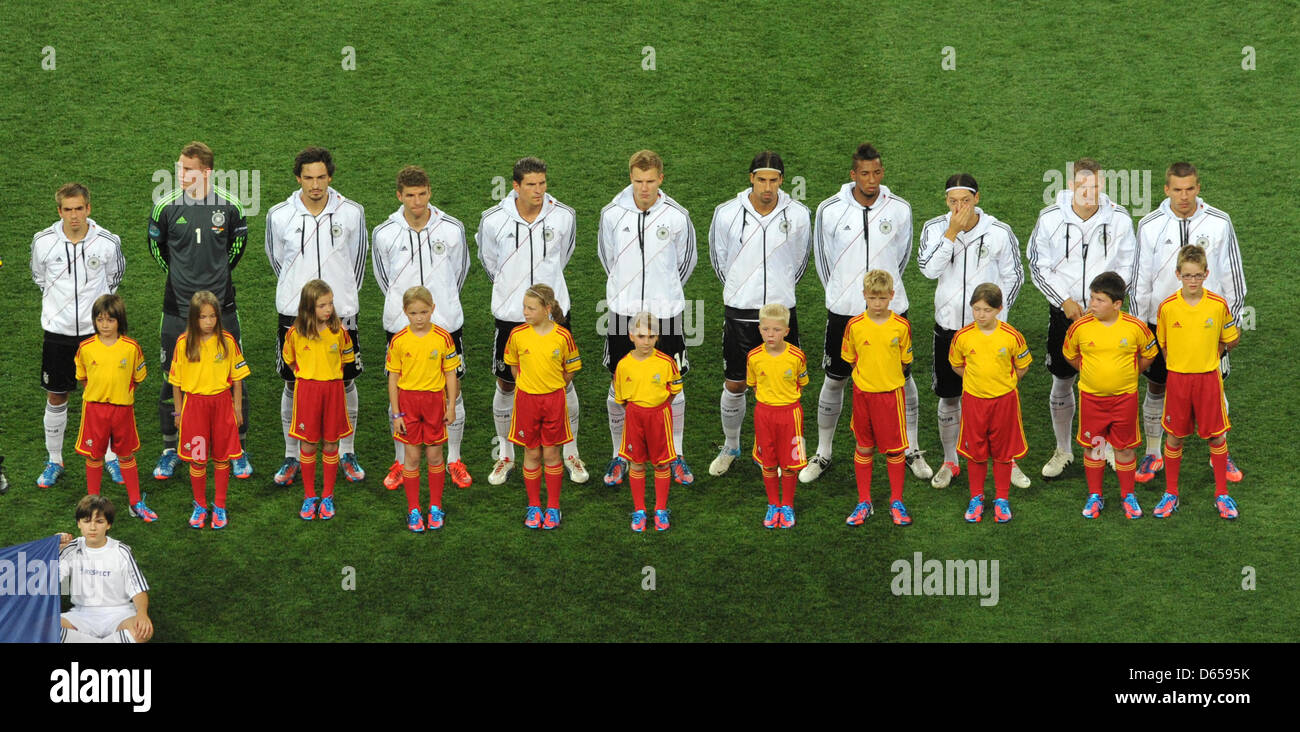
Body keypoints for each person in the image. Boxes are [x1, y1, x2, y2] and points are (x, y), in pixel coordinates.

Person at [803, 143, 932, 484]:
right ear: (853, 175)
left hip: (891, 312)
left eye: (876, 173)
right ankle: (824, 451)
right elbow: (823, 262)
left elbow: (900, 260)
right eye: (864, 174)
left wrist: (883, 295)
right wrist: (845, 294)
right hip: (844, 314)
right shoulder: (829, 210)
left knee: (902, 380)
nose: (871, 180)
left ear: (882, 172)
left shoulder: (900, 209)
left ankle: (911, 449)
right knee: (835, 378)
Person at [477, 156, 587, 486]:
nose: (538, 190)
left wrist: (545, 302)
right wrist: (516, 299)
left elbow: (562, 258)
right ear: (515, 186)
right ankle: (506, 454)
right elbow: (489, 262)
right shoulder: (493, 219)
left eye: (542, 183)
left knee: (563, 382)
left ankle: (571, 451)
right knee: (507, 383)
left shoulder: (564, 216)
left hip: (554, 316)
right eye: (531, 185)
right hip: (512, 317)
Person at [1134, 162, 1247, 484]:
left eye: (1190, 189)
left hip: (1209, 325)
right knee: (1157, 386)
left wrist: (1229, 327)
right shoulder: (1150, 224)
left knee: (1215, 384)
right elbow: (1140, 278)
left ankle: (1221, 456)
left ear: (1198, 188)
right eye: (1177, 190)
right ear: (1166, 190)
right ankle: (1153, 452)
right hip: (1163, 323)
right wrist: (1144, 327)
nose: (1184, 197)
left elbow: (1233, 277)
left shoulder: (1219, 222)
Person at [1027, 159, 1137, 478]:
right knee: (1062, 379)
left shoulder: (1118, 218)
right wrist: (1064, 300)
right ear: (1072, 185)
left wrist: (1106, 302)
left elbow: (1130, 266)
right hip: (1065, 314)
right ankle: (1064, 450)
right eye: (1083, 187)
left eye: (1096, 187)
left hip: (1107, 318)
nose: (1090, 193)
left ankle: (1106, 448)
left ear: (1103, 185)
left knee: (1108, 383)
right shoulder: (1049, 218)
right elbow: (1038, 264)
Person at [917, 173, 1028, 491]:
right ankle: (951, 460)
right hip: (950, 329)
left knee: (997, 399)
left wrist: (995, 319)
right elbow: (928, 269)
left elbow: (1013, 276)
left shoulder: (999, 232)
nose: (959, 207)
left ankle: (1008, 460)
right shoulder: (935, 228)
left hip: (990, 336)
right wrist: (951, 233)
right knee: (950, 397)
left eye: (965, 201)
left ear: (977, 199)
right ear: (945, 202)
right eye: (953, 201)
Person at [266, 147, 369, 486]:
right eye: (308, 178)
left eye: (321, 177)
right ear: (298, 178)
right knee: (293, 382)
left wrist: (340, 298)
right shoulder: (279, 215)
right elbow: (277, 261)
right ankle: (291, 454)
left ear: (330, 177)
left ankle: (346, 451)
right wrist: (299, 297)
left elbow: (358, 262)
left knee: (345, 379)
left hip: (340, 314)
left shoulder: (352, 212)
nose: (315, 185)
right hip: (294, 315)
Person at [148, 141, 251, 480]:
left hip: (221, 307)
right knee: (171, 377)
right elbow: (157, 248)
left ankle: (238, 449)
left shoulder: (231, 206)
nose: (180, 174)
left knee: (233, 376)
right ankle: (170, 448)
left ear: (206, 172)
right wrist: (181, 277)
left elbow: (235, 249)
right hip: (177, 307)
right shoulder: (165, 206)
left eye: (188, 169)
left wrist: (215, 282)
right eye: (179, 167)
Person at [705, 151, 812, 478]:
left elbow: (799, 261)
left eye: (774, 180)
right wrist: (741, 292)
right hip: (740, 311)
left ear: (782, 181)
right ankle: (731, 445)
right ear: (751, 178)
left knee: (784, 386)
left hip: (781, 314)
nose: (767, 187)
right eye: (761, 179)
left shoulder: (799, 214)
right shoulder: (726, 213)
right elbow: (718, 260)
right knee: (736, 383)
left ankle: (782, 450)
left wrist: (777, 297)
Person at [598, 150, 697, 487]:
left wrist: (662, 293)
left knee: (674, 385)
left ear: (661, 179)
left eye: (650, 181)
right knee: (619, 382)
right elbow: (607, 258)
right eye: (638, 181)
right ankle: (619, 454)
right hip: (623, 311)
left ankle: (676, 452)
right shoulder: (611, 214)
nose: (644, 188)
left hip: (666, 312)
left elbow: (685, 264)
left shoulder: (678, 216)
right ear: (630, 178)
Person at [372, 166, 472, 490]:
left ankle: (453, 459)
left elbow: (460, 273)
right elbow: (382, 279)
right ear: (399, 196)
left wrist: (438, 307)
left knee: (452, 393)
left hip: (444, 325)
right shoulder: (385, 233)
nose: (417, 201)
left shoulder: (452, 230)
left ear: (430, 192)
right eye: (410, 195)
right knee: (398, 394)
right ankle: (402, 461)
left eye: (422, 194)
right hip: (401, 327)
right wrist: (410, 314)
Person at [32, 182, 125, 489]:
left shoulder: (107, 243)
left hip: (95, 335)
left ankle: (110, 457)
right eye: (68, 210)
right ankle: (54, 460)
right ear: (59, 211)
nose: (74, 216)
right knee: (57, 395)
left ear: (89, 208)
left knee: (105, 397)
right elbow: (39, 278)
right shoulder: (44, 242)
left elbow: (114, 279)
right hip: (57, 334)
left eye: (79, 209)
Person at [1151, 245, 1242, 520]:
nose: (1193, 281)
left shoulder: (1217, 304)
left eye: (1198, 275)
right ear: (1178, 274)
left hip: (1208, 380)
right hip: (1178, 381)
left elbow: (1231, 338)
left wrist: (1212, 355)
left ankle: (1222, 495)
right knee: (1175, 436)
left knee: (1217, 435)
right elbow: (1163, 345)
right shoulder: (1167, 307)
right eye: (1188, 275)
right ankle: (1171, 493)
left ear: (1206, 274)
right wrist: (1180, 365)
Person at [1063, 272, 1158, 519]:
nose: (1092, 304)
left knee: (1124, 449)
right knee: (1094, 448)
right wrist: (1090, 372)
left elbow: (1150, 353)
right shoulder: (1079, 328)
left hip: (1124, 399)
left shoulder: (1136, 327)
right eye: (1092, 298)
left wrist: (1130, 373)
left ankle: (1128, 495)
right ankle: (1096, 495)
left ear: (1117, 304)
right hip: (1092, 399)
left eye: (1099, 300)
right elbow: (1069, 354)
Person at [949, 284, 1032, 524]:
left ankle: (1002, 499)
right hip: (974, 401)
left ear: (999, 309)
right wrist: (976, 382)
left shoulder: (1011, 335)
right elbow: (956, 365)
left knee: (1003, 452)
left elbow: (1022, 365)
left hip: (1004, 402)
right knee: (975, 451)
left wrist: (1004, 383)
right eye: (976, 309)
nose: (981, 315)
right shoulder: (962, 337)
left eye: (986, 310)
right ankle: (976, 497)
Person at [168, 291, 251, 530]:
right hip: (194, 409)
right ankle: (200, 505)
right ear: (194, 318)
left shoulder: (227, 341)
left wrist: (237, 407)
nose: (208, 321)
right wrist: (178, 412)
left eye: (212, 316)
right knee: (198, 460)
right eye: (203, 317)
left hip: (222, 406)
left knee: (222, 458)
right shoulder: (184, 343)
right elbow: (176, 383)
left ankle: (220, 506)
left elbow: (237, 379)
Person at [504, 285, 582, 529]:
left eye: (531, 308)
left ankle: (554, 507)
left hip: (553, 401)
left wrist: (555, 384)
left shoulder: (562, 336)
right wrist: (525, 385)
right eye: (524, 307)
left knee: (550, 454)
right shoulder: (517, 335)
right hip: (527, 401)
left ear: (547, 309)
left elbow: (571, 367)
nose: (525, 312)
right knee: (532, 453)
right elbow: (513, 366)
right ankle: (535, 505)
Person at [842, 271, 915, 527]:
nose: (877, 303)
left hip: (891, 396)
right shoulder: (854, 326)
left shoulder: (901, 326)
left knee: (895, 450)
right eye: (872, 297)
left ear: (891, 297)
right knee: (864, 446)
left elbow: (906, 361)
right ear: (864, 296)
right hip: (863, 395)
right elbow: (850, 358)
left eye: (882, 298)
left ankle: (896, 501)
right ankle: (864, 501)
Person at [73, 294, 155, 522]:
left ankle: (135, 502)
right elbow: (83, 377)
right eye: (100, 320)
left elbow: (138, 378)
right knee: (94, 456)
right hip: (95, 411)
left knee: (126, 455)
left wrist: (121, 395)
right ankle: (92, 505)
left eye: (110, 320)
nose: (105, 325)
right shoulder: (86, 348)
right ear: (94, 321)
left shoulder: (131, 348)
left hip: (122, 411)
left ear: (120, 320)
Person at [386, 286, 462, 533]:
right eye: (413, 313)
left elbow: (451, 374)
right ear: (405, 313)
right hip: (408, 404)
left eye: (424, 312)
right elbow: (393, 379)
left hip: (434, 403)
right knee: (412, 458)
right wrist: (396, 414)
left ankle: (436, 507)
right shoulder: (398, 341)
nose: (419, 318)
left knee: (435, 456)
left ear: (433, 309)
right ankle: (414, 509)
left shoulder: (443, 338)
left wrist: (451, 406)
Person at [282, 280, 356, 521]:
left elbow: (346, 360)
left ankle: (327, 496)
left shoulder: (340, 333)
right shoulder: (295, 334)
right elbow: (290, 360)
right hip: (307, 393)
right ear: (308, 308)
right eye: (322, 305)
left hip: (333, 391)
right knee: (308, 445)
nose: (329, 309)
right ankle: (310, 496)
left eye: (331, 304)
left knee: (332, 444)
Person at [613, 312, 683, 531]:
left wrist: (657, 406)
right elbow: (622, 399)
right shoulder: (623, 365)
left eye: (651, 337)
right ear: (631, 335)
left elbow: (673, 390)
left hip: (659, 416)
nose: (646, 341)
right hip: (634, 416)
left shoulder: (666, 362)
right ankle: (640, 510)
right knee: (636, 462)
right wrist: (639, 409)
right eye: (641, 336)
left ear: (657, 337)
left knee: (661, 463)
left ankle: (660, 510)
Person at [745, 304, 809, 529]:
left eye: (776, 330)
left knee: (790, 464)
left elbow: (801, 384)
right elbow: (753, 385)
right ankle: (773, 504)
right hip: (764, 414)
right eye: (766, 329)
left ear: (787, 331)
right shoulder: (753, 357)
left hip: (790, 414)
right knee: (769, 463)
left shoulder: (797, 356)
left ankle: (787, 505)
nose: (771, 334)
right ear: (760, 329)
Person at [56, 495, 153, 643]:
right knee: (44, 628)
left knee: (142, 632)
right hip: (82, 615)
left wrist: (142, 614)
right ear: (79, 524)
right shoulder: (72, 549)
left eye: (99, 521)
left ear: (108, 525)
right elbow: (49, 579)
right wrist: (52, 549)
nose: (93, 527)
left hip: (119, 614)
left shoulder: (121, 551)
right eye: (87, 521)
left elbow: (138, 590)